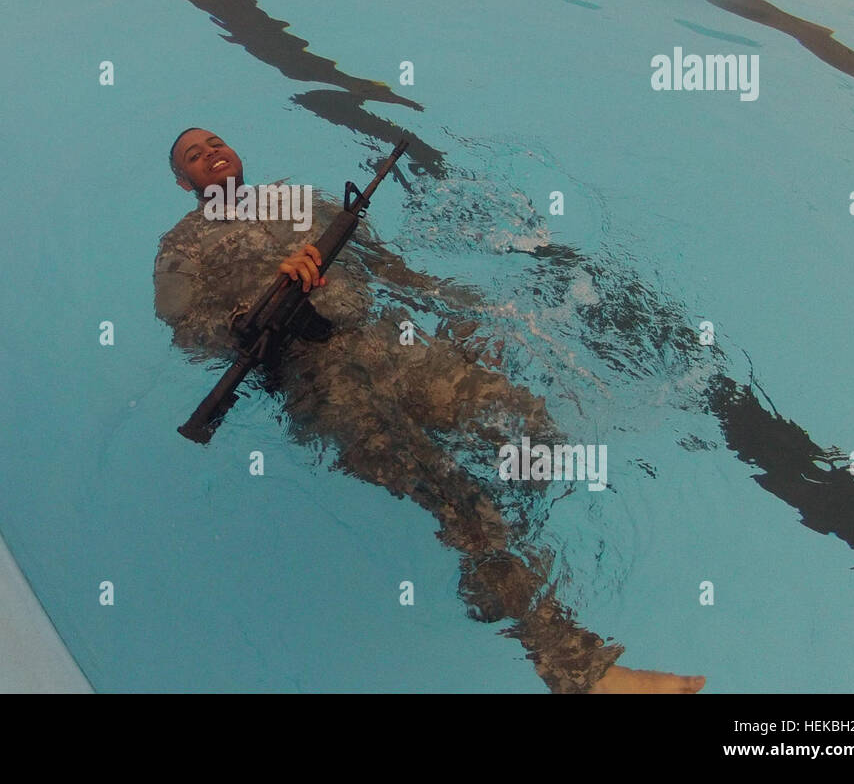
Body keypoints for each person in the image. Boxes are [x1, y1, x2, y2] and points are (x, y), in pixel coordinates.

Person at [155, 128, 707, 694]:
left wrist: (461, 316)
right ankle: (577, 668)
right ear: (183, 182)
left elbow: (387, 268)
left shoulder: (299, 204)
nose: (211, 154)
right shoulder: (182, 247)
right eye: (194, 157)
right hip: (320, 383)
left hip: (389, 343)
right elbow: (186, 331)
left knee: (527, 424)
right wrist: (254, 308)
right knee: (461, 501)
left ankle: (504, 560)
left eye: (216, 143)